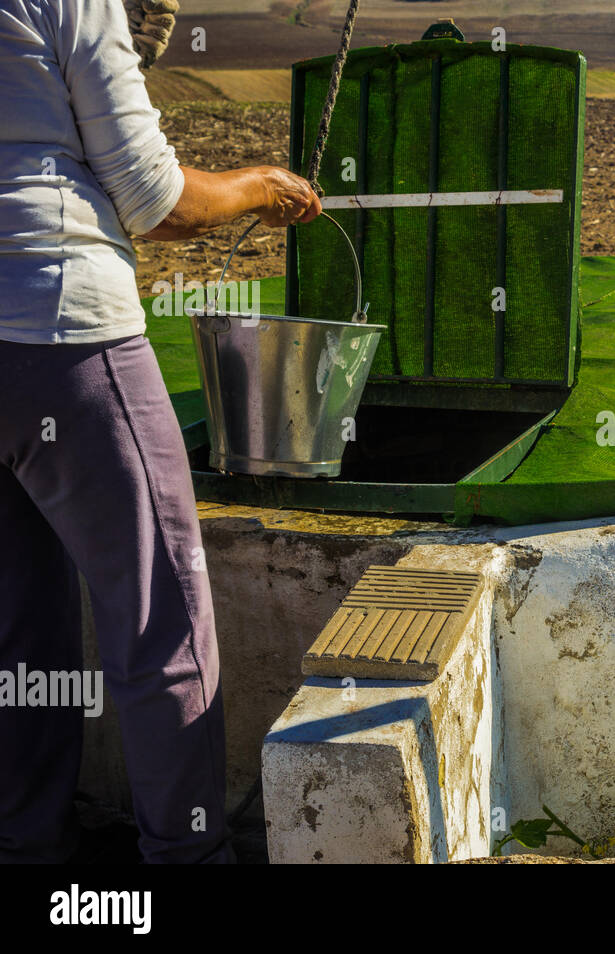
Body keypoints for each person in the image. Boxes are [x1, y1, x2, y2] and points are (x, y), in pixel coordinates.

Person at [0, 0, 321, 863]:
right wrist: (262, 186)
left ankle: (29, 849)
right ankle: (186, 856)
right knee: (160, 620)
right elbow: (156, 199)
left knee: (17, 626)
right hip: (62, 334)